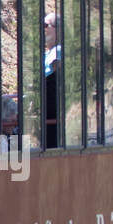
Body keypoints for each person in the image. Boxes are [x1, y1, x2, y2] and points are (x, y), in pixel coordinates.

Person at [43, 12, 61, 149]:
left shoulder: (58, 52)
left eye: (46, 25)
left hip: (51, 108)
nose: (43, 29)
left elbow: (54, 78)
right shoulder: (48, 53)